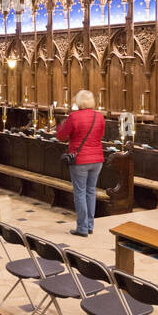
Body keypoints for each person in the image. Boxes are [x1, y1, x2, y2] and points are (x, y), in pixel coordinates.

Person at [56, 89, 105, 237]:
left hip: (80, 160)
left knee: (80, 193)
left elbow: (61, 136)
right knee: (91, 191)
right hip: (97, 159)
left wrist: (60, 126)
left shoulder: (74, 117)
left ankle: (82, 228)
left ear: (78, 102)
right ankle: (89, 225)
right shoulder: (100, 117)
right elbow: (101, 135)